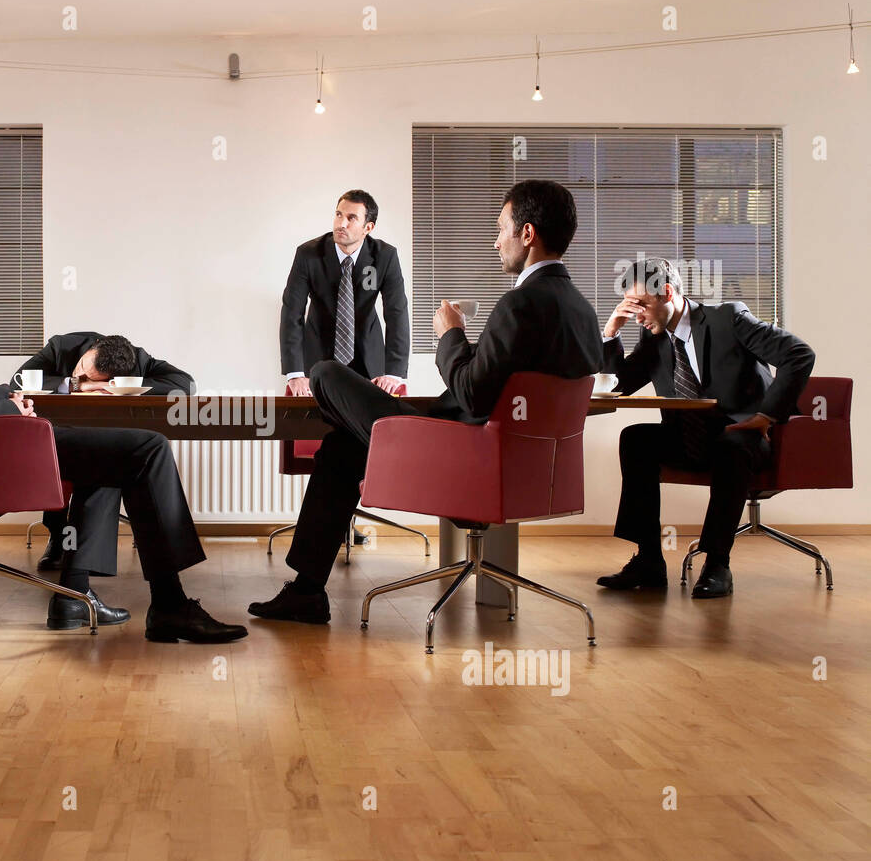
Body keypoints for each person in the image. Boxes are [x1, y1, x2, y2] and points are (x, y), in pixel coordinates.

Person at [0, 180, 245, 644]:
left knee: (112, 457)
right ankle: (170, 605)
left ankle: (73, 596)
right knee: (148, 448)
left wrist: (5, 398)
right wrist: (9, 404)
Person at [251, 179, 603, 623]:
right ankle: (305, 590)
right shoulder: (584, 311)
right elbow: (499, 385)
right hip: (526, 466)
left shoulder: (518, 305)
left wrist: (449, 333)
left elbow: (471, 394)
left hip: (459, 454)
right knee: (342, 446)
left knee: (324, 373)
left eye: (501, 230)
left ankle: (305, 589)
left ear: (527, 234)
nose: (497, 242)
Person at [595, 258, 815, 599]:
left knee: (732, 447)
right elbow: (618, 385)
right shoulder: (654, 338)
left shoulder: (728, 318)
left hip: (742, 436)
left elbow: (799, 354)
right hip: (691, 438)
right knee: (636, 438)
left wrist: (766, 416)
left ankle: (717, 564)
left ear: (667, 292)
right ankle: (649, 561)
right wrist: (610, 335)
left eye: (640, 306)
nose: (636, 315)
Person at [6, 332, 194, 571]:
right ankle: (59, 539)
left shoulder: (135, 360)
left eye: (91, 377)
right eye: (83, 367)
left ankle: (89, 562)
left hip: (106, 435)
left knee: (133, 453)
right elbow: (17, 382)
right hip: (59, 433)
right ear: (91, 348)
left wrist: (117, 387)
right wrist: (77, 384)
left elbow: (186, 384)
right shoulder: (61, 347)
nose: (80, 373)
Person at [279, 189, 410, 399]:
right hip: (318, 358)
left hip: (369, 360)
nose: (341, 224)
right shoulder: (308, 254)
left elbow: (397, 314)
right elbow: (291, 313)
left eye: (351, 218)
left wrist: (394, 373)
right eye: (339, 214)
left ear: (368, 227)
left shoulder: (385, 256)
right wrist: (295, 373)